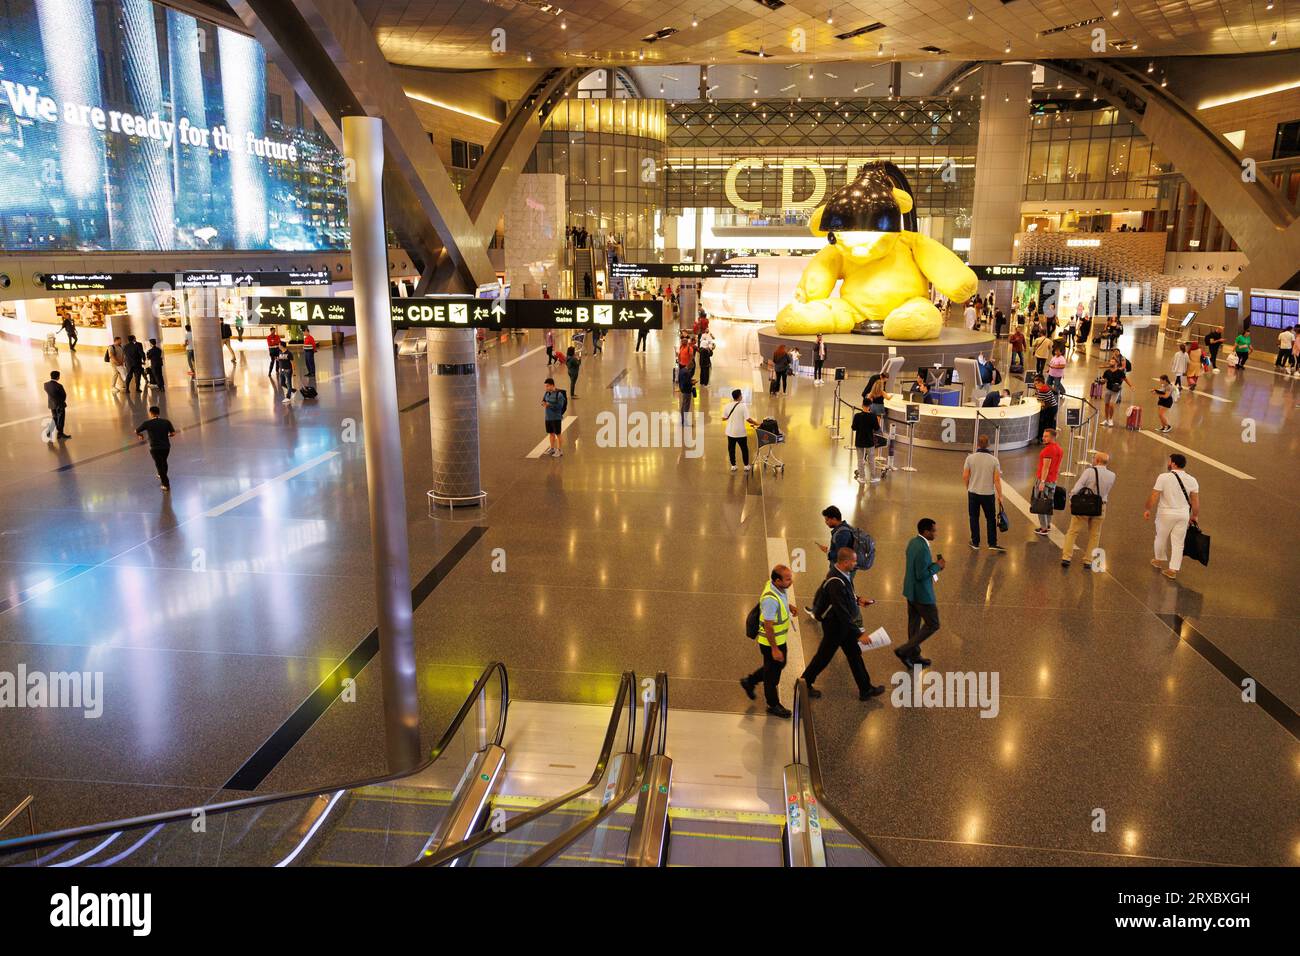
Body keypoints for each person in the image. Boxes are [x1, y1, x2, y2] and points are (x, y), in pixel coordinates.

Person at [801, 547, 885, 701]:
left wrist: (858, 600)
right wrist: (859, 634)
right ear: (845, 562)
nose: (856, 563)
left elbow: (846, 596)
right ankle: (804, 683)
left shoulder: (842, 574)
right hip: (835, 626)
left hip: (842, 625)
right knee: (824, 656)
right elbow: (841, 611)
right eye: (854, 561)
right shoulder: (835, 581)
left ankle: (865, 689)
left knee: (854, 654)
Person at [740, 565, 800, 718]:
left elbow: (780, 600)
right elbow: (768, 626)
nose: (791, 581)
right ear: (777, 580)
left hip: (779, 640)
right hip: (770, 643)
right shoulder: (770, 600)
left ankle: (750, 681)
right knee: (772, 675)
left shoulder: (775, 587)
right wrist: (774, 649)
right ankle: (773, 705)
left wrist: (789, 606)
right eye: (787, 579)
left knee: (777, 665)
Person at [897, 518, 944, 669]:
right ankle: (904, 651)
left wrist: (931, 565)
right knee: (933, 624)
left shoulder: (913, 542)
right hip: (922, 594)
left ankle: (914, 655)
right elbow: (921, 574)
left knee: (914, 624)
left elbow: (916, 565)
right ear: (926, 531)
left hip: (910, 591)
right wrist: (937, 567)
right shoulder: (923, 548)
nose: (935, 533)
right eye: (933, 530)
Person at [1144, 453, 1200, 580]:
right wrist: (1195, 515)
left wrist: (1148, 508)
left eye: (1169, 461)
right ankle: (1172, 569)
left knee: (1160, 537)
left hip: (1166, 513)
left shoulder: (1164, 477)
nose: (1168, 464)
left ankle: (1158, 560)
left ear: (1173, 463)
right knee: (1178, 543)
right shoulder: (1192, 480)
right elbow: (1195, 501)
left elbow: (1154, 495)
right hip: (1183, 514)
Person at [1060, 451, 1116, 569]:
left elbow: (1078, 486)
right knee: (1095, 534)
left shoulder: (1089, 471)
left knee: (1073, 531)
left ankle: (1066, 557)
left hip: (1083, 505)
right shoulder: (1112, 475)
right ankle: (1088, 560)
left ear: (1097, 460)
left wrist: (1071, 499)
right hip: (1100, 506)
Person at [963, 434, 1005, 551]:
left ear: (977, 444)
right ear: (988, 445)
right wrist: (1000, 495)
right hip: (988, 494)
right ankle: (992, 543)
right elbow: (996, 480)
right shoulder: (994, 460)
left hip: (973, 493)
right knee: (990, 518)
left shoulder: (970, 458)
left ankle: (975, 542)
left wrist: (968, 487)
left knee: (974, 517)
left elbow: (965, 476)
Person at [135, 406, 176, 491]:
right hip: (166, 447)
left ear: (151, 413)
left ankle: (166, 484)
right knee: (164, 461)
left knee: (159, 465)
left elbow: (136, 431)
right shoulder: (166, 422)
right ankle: (162, 474)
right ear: (159, 412)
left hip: (154, 448)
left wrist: (140, 435)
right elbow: (173, 433)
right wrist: (167, 435)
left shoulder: (147, 423)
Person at [1033, 427, 1064, 536]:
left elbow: (1046, 467)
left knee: (1041, 504)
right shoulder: (1059, 449)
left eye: (1046, 436)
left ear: (1052, 437)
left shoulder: (1048, 450)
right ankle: (1048, 524)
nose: (1043, 438)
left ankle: (1043, 528)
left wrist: (1042, 481)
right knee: (1049, 503)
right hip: (1053, 480)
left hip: (1045, 481)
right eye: (1043, 435)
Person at [724, 388, 759, 472]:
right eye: (741, 395)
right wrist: (757, 423)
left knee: (731, 449)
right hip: (740, 432)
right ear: (739, 396)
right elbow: (748, 419)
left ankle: (733, 465)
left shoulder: (727, 405)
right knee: (744, 449)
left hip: (730, 432)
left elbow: (724, 417)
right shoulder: (743, 406)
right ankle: (746, 466)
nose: (742, 396)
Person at [850, 403, 882, 485]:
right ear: (869, 407)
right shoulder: (873, 416)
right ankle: (873, 477)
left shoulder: (857, 416)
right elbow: (877, 428)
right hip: (869, 441)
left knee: (860, 460)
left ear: (862, 405)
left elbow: (853, 428)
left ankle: (862, 477)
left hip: (859, 441)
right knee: (871, 460)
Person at [541, 377, 567, 457]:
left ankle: (559, 450)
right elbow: (544, 401)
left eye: (547, 386)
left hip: (556, 418)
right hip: (548, 417)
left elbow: (560, 406)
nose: (546, 388)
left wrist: (549, 405)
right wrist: (543, 403)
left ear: (552, 385)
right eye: (545, 386)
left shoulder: (559, 395)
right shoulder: (546, 393)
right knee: (551, 433)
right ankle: (552, 449)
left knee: (558, 434)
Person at [1100, 355, 1127, 427]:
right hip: (1108, 389)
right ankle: (1106, 419)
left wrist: (1131, 386)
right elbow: (1104, 380)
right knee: (1106, 404)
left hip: (1115, 391)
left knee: (1111, 405)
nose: (1111, 362)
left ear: (1116, 364)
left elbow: (1125, 379)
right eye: (1110, 361)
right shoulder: (1107, 371)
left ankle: (1111, 419)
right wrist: (1101, 381)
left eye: (1112, 361)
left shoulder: (1120, 372)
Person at [44, 370, 69, 440]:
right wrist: (61, 401)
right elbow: (64, 395)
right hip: (59, 405)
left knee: (55, 418)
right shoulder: (59, 386)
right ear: (58, 377)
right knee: (60, 419)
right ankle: (60, 434)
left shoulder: (46, 385)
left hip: (52, 405)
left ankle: (49, 432)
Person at [677, 356, 695, 426]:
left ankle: (682, 420)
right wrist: (692, 383)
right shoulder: (687, 373)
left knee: (683, 405)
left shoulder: (682, 370)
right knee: (686, 407)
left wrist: (690, 381)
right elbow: (687, 383)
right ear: (690, 367)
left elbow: (681, 380)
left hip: (682, 390)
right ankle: (685, 422)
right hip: (687, 391)